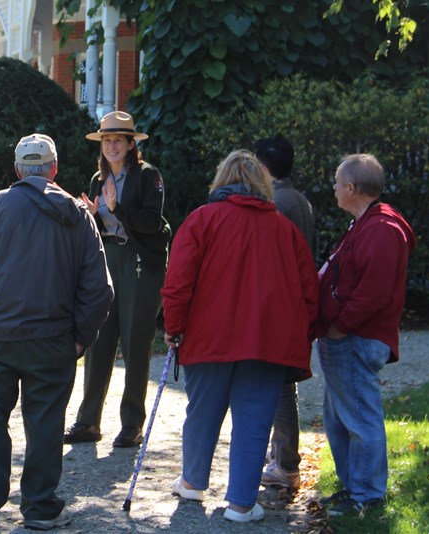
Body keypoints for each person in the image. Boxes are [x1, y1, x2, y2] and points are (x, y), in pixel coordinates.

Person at [0, 133, 113, 530]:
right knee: (45, 423)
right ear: (53, 168)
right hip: (53, 339)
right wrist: (81, 336)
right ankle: (40, 507)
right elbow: (99, 289)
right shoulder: (78, 215)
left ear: (19, 169)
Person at [160, 150, 318, 523]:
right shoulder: (285, 230)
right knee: (254, 419)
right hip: (266, 341)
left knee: (201, 411)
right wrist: (303, 333)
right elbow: (309, 291)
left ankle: (193, 481)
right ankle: (242, 503)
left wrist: (174, 326)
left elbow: (178, 282)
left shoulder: (202, 220)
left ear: (221, 180)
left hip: (207, 338)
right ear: (262, 184)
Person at [314, 154, 415, 516]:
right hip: (345, 337)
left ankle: (367, 495)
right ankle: (354, 487)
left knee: (359, 417)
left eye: (338, 182)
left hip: (355, 338)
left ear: (352, 188)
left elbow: (374, 293)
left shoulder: (381, 229)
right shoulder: (365, 224)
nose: (335, 188)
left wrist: (340, 327)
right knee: (340, 417)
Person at [64, 111, 170, 449]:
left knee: (136, 344)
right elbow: (100, 228)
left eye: (117, 140)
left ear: (129, 144)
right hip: (107, 260)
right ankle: (88, 421)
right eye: (106, 140)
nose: (111, 145)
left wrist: (118, 208)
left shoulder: (148, 176)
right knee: (98, 340)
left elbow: (153, 222)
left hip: (139, 263)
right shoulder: (99, 178)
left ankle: (131, 425)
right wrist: (92, 217)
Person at [253, 135, 315, 491]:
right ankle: (282, 456)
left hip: (280, 305)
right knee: (283, 383)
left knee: (277, 385)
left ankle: (286, 461)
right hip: (294, 303)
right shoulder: (299, 200)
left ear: (263, 166)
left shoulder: (276, 203)